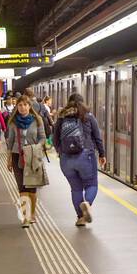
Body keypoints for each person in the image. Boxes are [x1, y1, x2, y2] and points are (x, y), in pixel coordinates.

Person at [53, 92, 106, 227]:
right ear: (83, 103)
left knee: (76, 189)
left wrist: (61, 152)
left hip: (66, 159)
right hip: (85, 156)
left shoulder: (61, 117)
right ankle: (87, 203)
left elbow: (55, 139)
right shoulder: (88, 117)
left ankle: (80, 218)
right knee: (91, 184)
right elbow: (98, 138)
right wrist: (102, 154)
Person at [5, 95, 46, 227]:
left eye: (25, 105)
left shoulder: (37, 120)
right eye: (20, 105)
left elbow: (43, 138)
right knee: (22, 188)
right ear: (17, 107)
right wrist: (9, 158)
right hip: (18, 156)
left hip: (33, 156)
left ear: (30, 106)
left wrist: (36, 148)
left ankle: (32, 214)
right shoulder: (12, 122)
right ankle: (25, 216)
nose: (22, 108)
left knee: (32, 188)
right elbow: (10, 141)